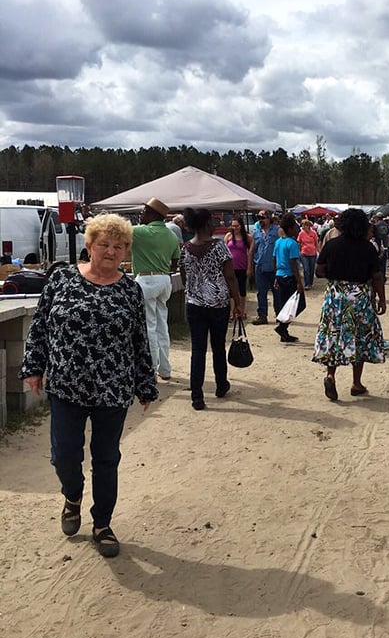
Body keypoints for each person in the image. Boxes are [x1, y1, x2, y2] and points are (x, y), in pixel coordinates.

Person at [19, 213, 158, 558]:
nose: (111, 251)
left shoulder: (130, 290)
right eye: (104, 244)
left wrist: (145, 385)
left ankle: (102, 524)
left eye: (118, 246)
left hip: (113, 389)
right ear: (89, 245)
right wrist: (34, 366)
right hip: (66, 385)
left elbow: (139, 340)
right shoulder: (62, 279)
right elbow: (40, 327)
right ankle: (73, 495)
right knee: (63, 456)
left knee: (106, 458)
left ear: (126, 250)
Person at [313, 208, 386, 401]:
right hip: (359, 297)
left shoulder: (332, 245)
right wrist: (382, 299)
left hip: (335, 296)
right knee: (360, 337)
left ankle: (331, 375)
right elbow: (377, 276)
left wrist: (333, 273)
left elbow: (319, 271)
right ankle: (356, 383)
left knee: (333, 335)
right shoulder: (368, 247)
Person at [179, 208, 245, 410]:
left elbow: (184, 276)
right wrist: (238, 303)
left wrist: (194, 291)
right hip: (218, 304)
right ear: (208, 223)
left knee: (197, 351)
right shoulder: (219, 247)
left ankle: (197, 396)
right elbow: (230, 276)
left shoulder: (186, 248)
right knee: (218, 346)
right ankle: (221, 385)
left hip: (194, 304)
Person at [131, 197, 180, 381]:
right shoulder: (172, 235)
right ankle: (165, 369)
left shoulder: (140, 231)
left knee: (149, 327)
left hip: (146, 280)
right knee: (162, 326)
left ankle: (150, 369)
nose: (141, 215)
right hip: (164, 279)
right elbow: (175, 261)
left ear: (152, 214)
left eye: (144, 212)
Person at [273, 213, 305, 343]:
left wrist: (276, 276)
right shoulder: (292, 244)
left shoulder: (278, 242)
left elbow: (274, 259)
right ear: (290, 229)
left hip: (280, 275)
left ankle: (284, 332)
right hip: (289, 277)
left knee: (285, 305)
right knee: (300, 304)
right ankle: (282, 327)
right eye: (296, 228)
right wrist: (299, 282)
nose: (297, 230)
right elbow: (293, 264)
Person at [247, 209, 279, 325]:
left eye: (263, 218)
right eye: (258, 218)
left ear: (269, 218)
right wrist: (249, 267)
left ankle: (279, 315)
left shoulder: (277, 231)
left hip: (274, 267)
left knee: (277, 292)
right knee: (261, 292)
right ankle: (262, 315)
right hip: (260, 267)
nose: (260, 220)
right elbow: (251, 251)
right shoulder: (256, 233)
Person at [225, 216, 252, 313]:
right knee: (231, 289)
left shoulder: (247, 238)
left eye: (237, 226)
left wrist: (249, 267)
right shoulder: (228, 236)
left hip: (242, 267)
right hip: (230, 267)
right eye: (233, 226)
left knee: (242, 289)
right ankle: (232, 311)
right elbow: (224, 252)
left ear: (241, 226)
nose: (235, 228)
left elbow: (250, 253)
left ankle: (242, 310)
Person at [298, 218, 319, 290]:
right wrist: (299, 251)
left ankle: (310, 282)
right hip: (304, 253)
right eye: (302, 225)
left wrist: (318, 251)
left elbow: (316, 243)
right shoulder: (301, 233)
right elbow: (299, 242)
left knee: (311, 269)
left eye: (304, 225)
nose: (303, 227)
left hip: (313, 253)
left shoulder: (314, 233)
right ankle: (307, 284)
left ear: (308, 225)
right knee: (306, 269)